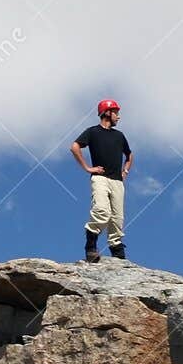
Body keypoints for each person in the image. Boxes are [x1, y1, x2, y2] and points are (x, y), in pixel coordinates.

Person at [70, 98, 132, 262]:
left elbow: (129, 154)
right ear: (107, 113)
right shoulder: (92, 132)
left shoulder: (119, 136)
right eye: (116, 113)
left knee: (117, 218)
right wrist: (87, 168)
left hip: (117, 181)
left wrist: (125, 170)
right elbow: (74, 146)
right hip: (100, 178)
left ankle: (118, 254)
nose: (118, 117)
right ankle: (90, 247)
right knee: (102, 210)